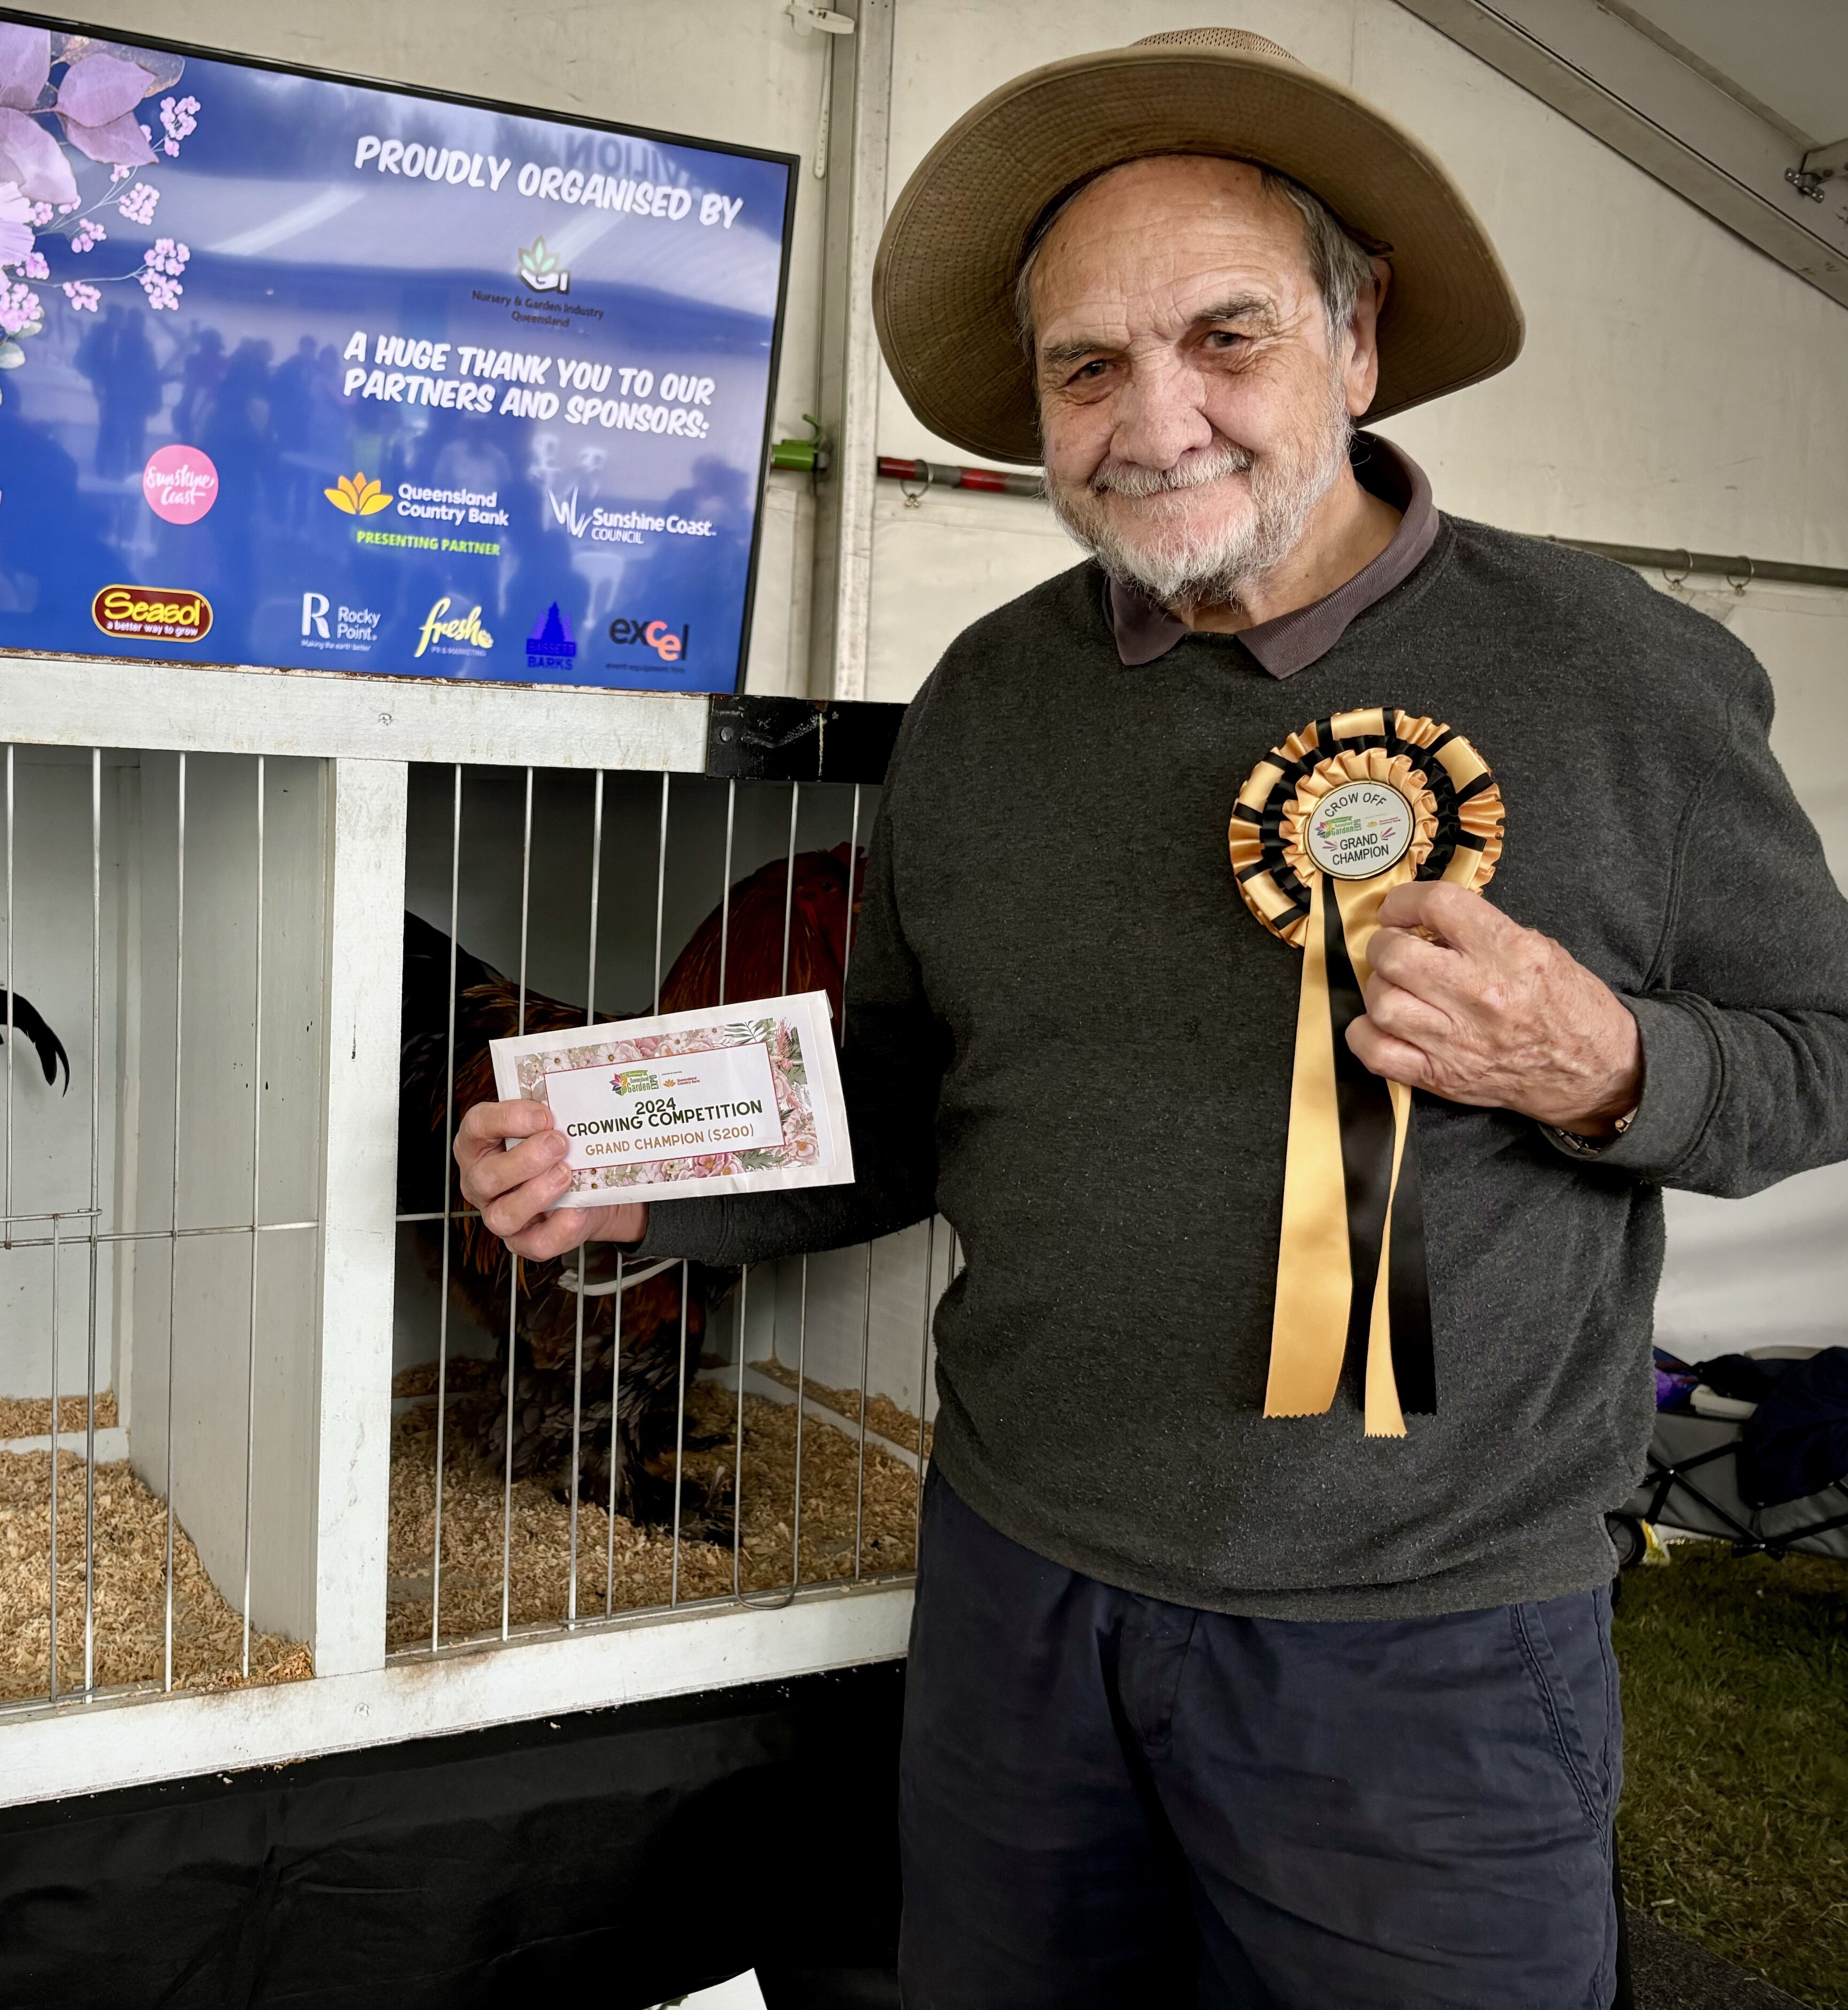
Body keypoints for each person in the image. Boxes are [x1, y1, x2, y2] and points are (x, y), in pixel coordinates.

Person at [452, 27, 1848, 2009]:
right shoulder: (988, 700)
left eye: (1227, 336)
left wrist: (1614, 1065)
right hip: (1023, 1580)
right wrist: (648, 1181)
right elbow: (917, 1089)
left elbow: (1829, 1047)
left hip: (1425, 1636)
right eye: (1086, 369)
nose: (1155, 418)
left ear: (1359, 348)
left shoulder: (1625, 674)